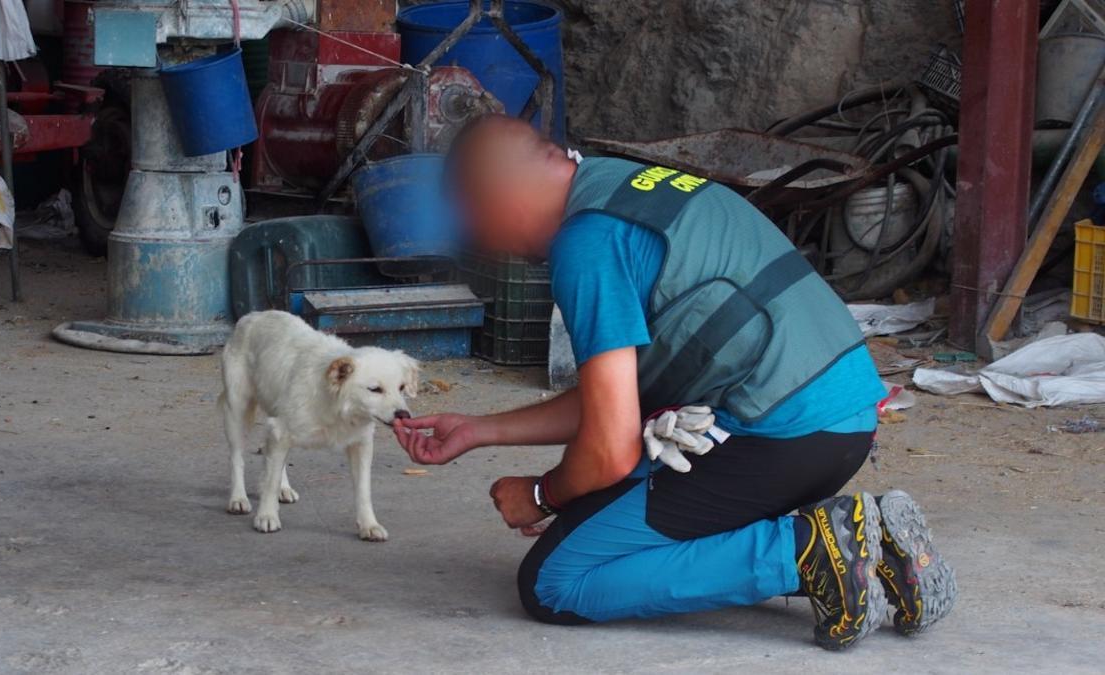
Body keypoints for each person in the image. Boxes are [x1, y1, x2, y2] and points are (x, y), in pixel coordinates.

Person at [392, 115, 955, 650]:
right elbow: (617, 399)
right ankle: (878, 550)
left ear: (499, 199)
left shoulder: (587, 244)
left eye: (478, 225)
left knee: (557, 581)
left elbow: (610, 449)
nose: (490, 247)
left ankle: (805, 550)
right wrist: (478, 430)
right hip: (841, 423)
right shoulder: (619, 183)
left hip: (780, 435)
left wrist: (540, 494)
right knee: (599, 510)